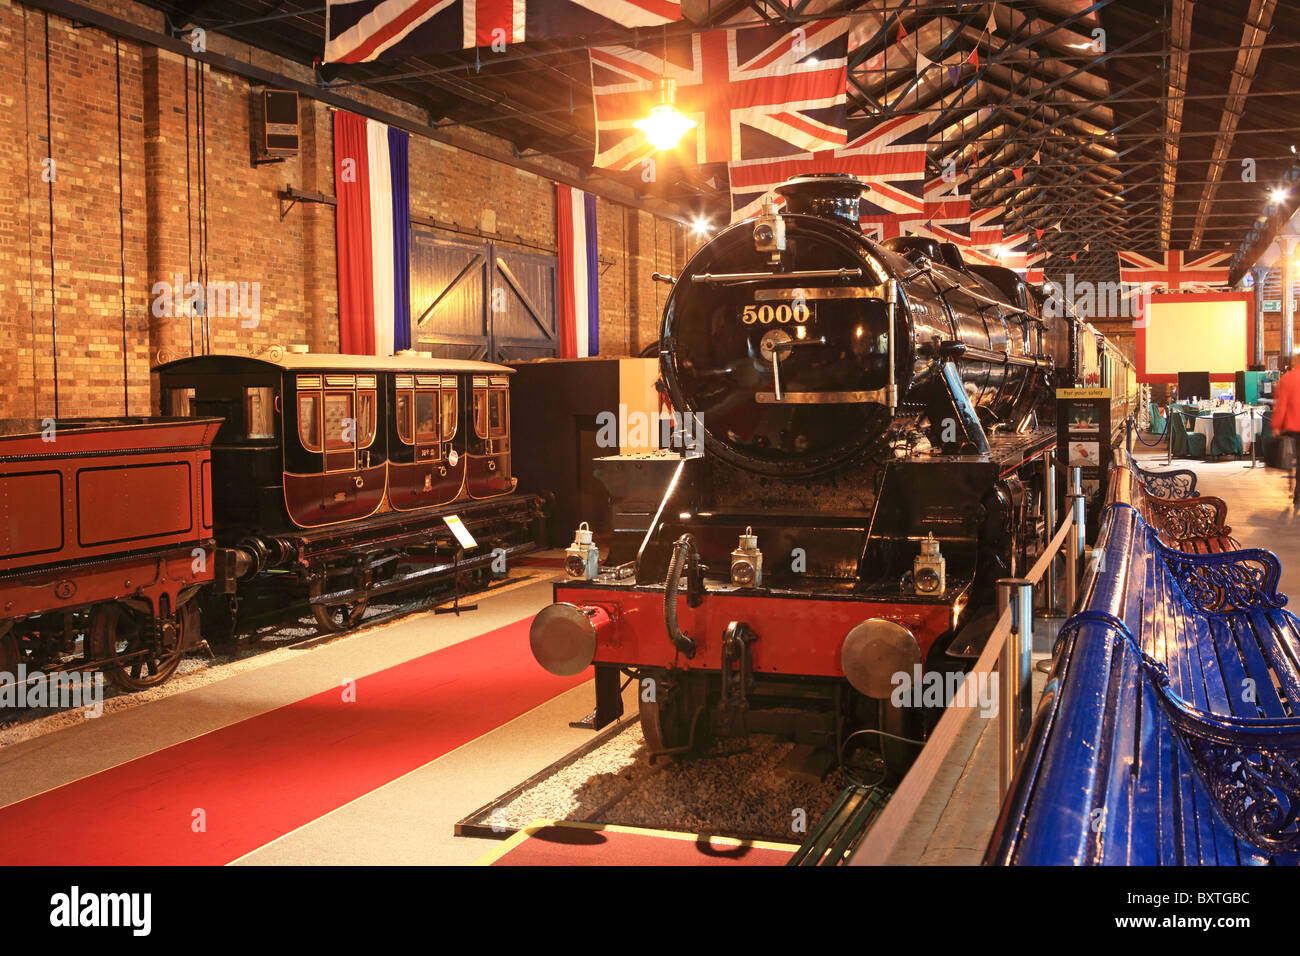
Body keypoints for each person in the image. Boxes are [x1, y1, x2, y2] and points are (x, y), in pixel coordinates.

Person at [1271, 357, 1300, 504]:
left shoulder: (1287, 379)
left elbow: (1281, 404)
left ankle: (1298, 493)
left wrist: (1276, 425)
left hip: (1295, 427)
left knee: (1298, 460)